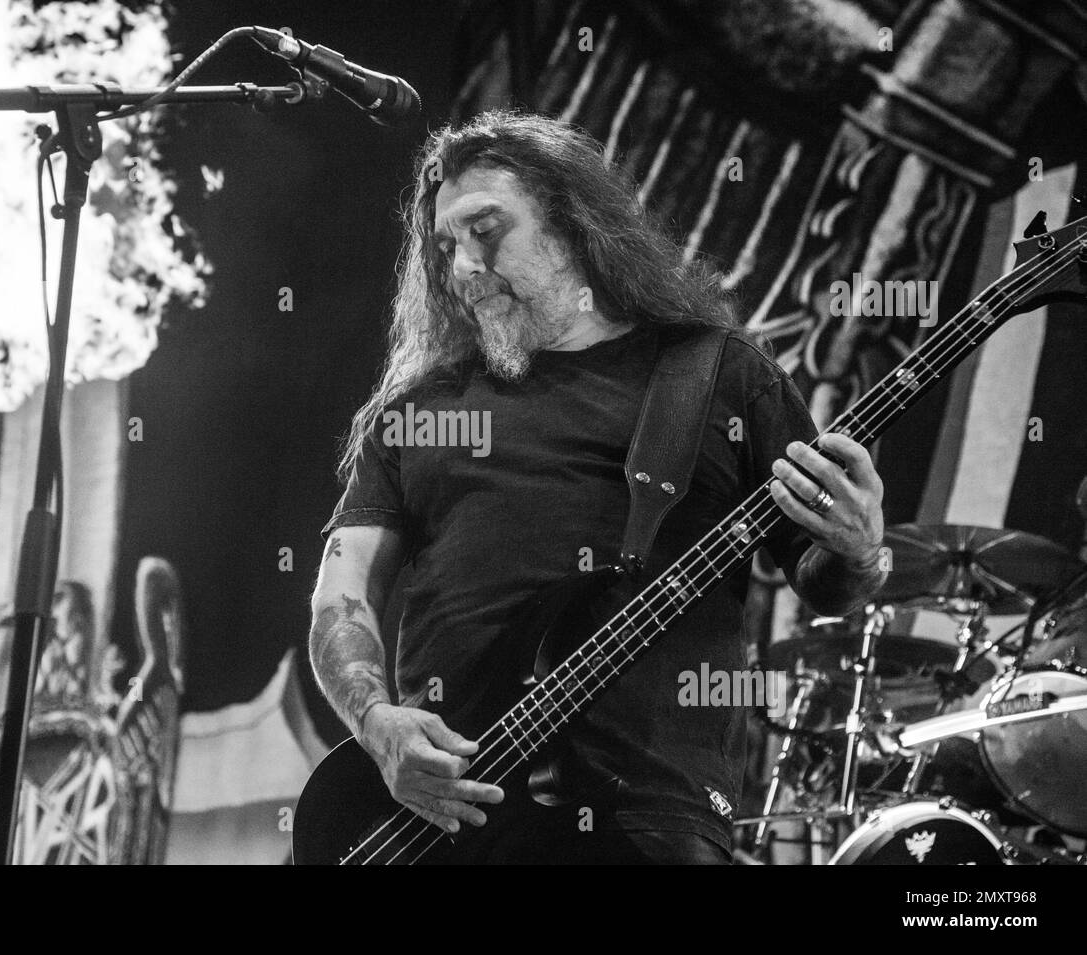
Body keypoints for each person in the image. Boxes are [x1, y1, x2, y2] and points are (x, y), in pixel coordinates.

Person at [308, 110, 887, 864]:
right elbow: (339, 593)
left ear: (573, 222)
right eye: (446, 246)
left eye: (487, 231)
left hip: (648, 813)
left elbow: (824, 579)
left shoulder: (717, 375)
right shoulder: (422, 411)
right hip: (445, 817)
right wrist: (378, 724)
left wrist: (860, 550)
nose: (463, 267)